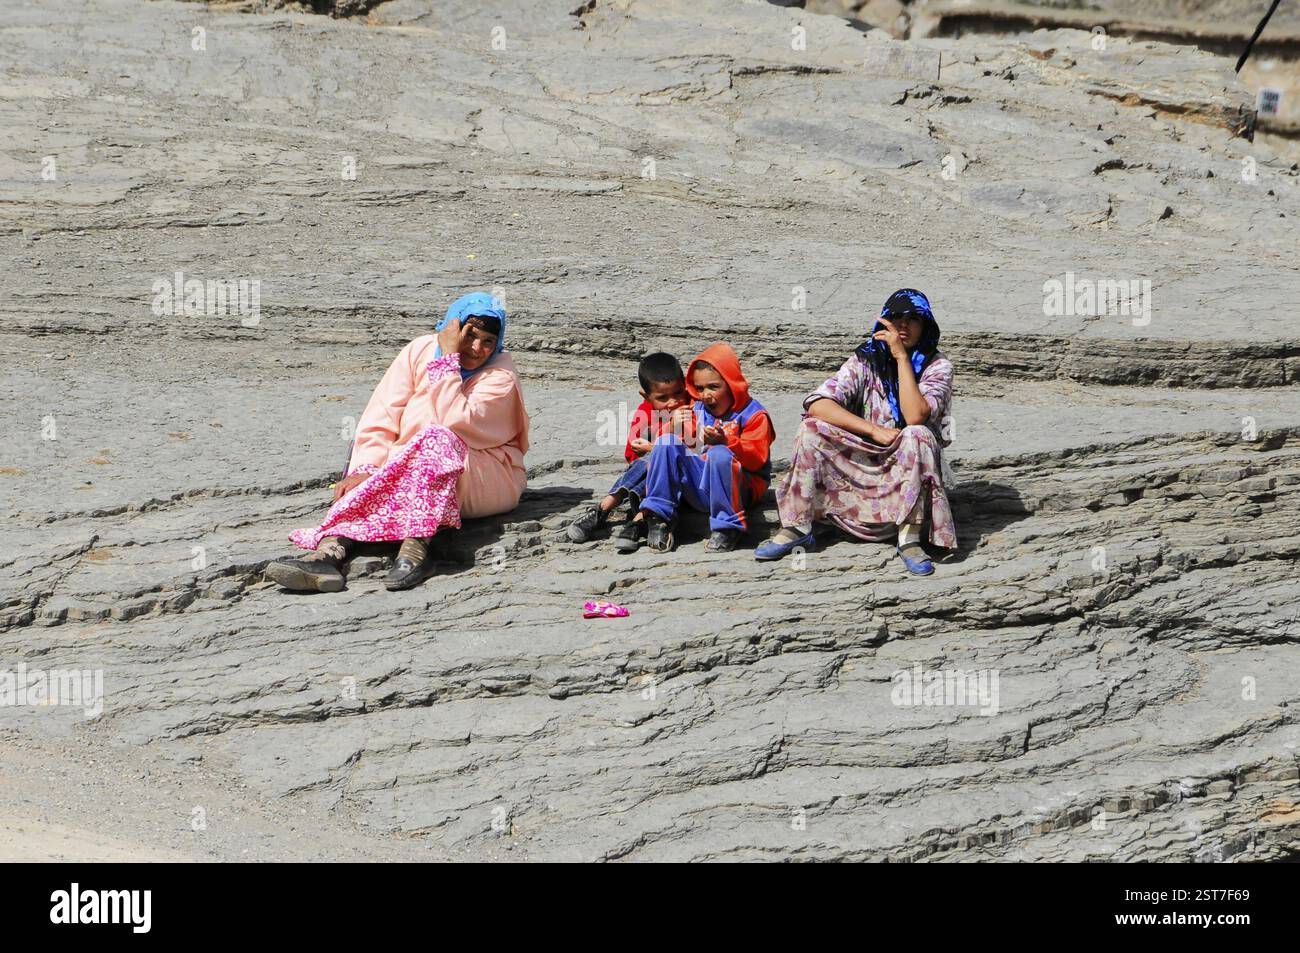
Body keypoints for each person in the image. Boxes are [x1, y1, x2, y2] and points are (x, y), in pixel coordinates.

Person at [264, 291, 529, 593]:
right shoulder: (421, 350)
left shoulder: (500, 375)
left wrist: (448, 361)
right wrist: (365, 468)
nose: (477, 348)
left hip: (484, 475)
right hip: (412, 464)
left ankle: (417, 549)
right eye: (469, 335)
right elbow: (383, 415)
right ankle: (328, 556)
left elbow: (453, 421)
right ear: (453, 327)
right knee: (369, 474)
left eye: (488, 341)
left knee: (437, 441)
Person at [755, 288, 955, 575]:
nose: (903, 325)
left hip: (907, 470)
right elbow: (818, 404)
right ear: (884, 321)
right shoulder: (866, 360)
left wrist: (901, 358)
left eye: (913, 319)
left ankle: (909, 536)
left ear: (925, 324)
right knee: (811, 429)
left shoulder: (938, 367)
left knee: (917, 434)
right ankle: (797, 526)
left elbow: (915, 415)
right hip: (864, 466)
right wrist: (872, 430)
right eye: (896, 318)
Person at [637, 342, 775, 553]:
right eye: (699, 388)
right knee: (666, 443)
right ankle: (659, 517)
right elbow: (677, 444)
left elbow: (757, 459)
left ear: (731, 384)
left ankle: (727, 528)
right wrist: (672, 426)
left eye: (713, 387)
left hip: (739, 491)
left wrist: (727, 443)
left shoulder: (754, 415)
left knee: (719, 454)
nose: (705, 395)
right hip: (702, 488)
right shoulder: (697, 408)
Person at [566, 352, 691, 553]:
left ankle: (633, 517)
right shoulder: (645, 412)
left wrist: (655, 446)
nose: (673, 402)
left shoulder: (690, 409)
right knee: (650, 461)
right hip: (647, 481)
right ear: (646, 395)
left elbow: (693, 452)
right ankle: (606, 509)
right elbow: (632, 453)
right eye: (662, 397)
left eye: (678, 393)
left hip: (679, 482)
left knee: (659, 456)